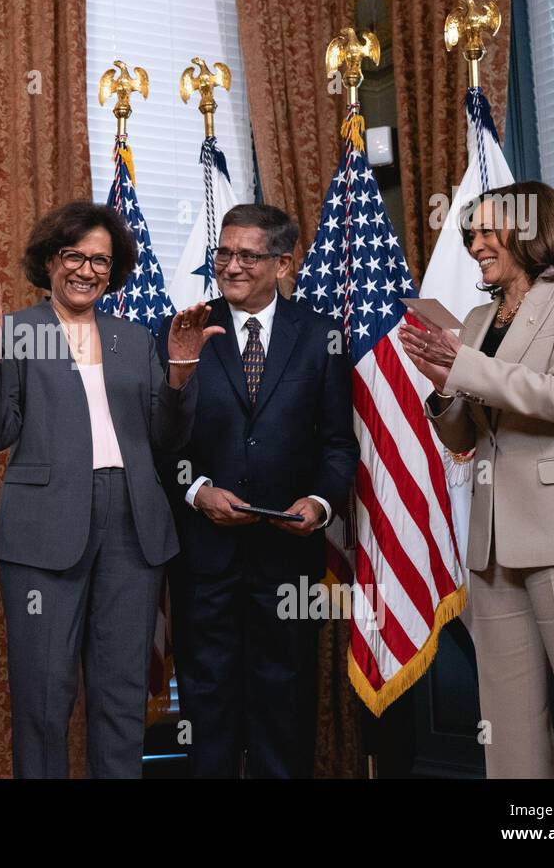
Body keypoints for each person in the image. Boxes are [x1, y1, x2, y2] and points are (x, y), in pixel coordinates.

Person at [0, 200, 219, 778]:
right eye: (75, 256)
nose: (87, 270)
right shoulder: (18, 331)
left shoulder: (135, 338)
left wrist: (179, 376)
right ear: (50, 260)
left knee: (121, 699)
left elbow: (168, 439)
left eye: (101, 260)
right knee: (44, 699)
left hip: (134, 529)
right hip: (43, 530)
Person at [400, 180, 554, 778]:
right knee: (508, 730)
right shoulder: (479, 316)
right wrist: (443, 383)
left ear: (532, 229)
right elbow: (466, 439)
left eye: (490, 231)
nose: (477, 244)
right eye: (472, 234)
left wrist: (463, 363)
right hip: (493, 543)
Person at [161, 204, 358, 778]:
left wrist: (319, 504)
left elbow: (339, 445)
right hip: (205, 560)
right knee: (208, 708)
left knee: (285, 708)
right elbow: (162, 441)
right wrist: (197, 492)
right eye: (224, 253)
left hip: (288, 559)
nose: (232, 266)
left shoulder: (321, 336)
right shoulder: (184, 329)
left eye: (248, 255)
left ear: (283, 263)